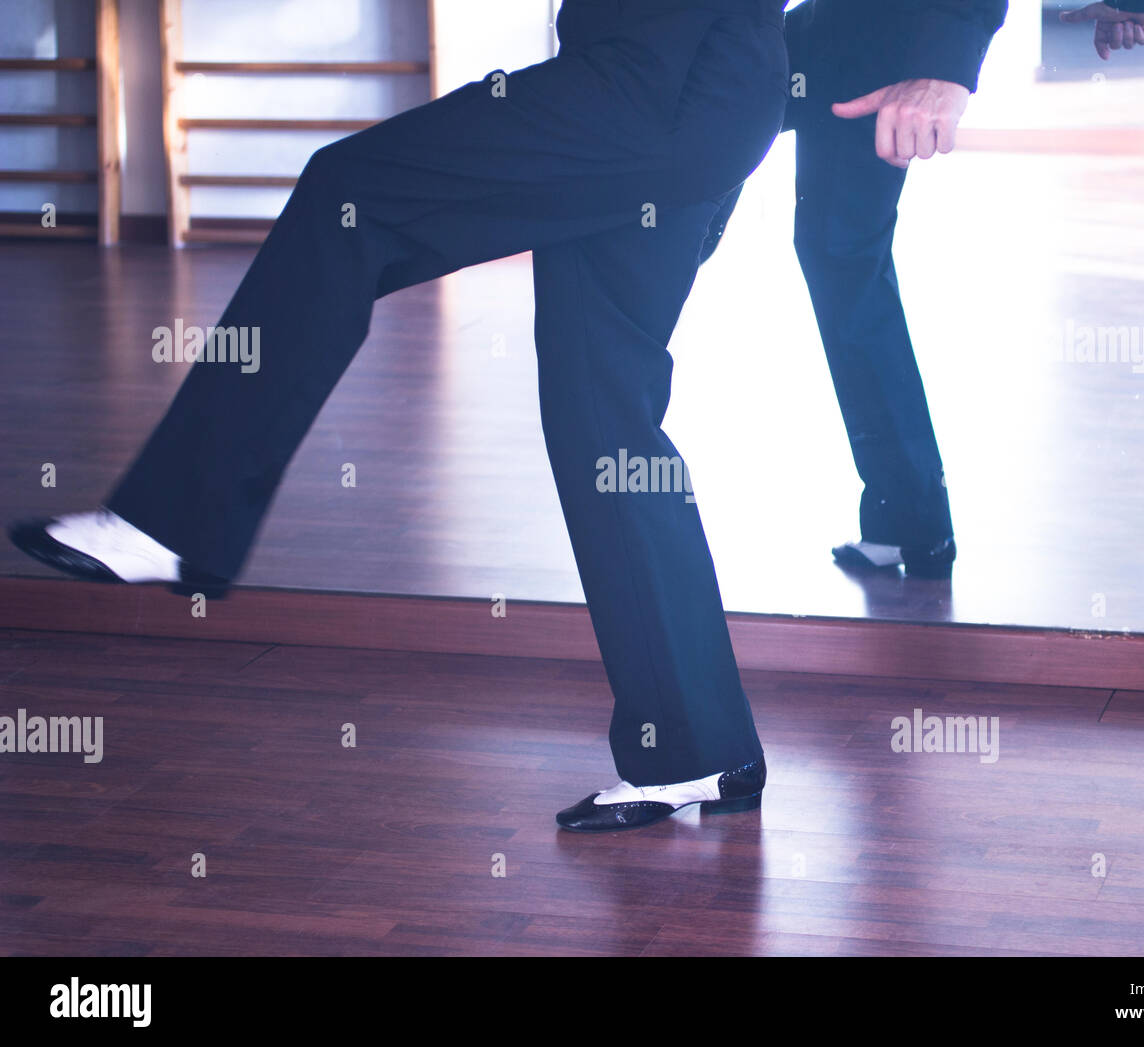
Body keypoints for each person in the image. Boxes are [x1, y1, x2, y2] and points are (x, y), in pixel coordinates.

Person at [10, 0, 790, 833]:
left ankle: (173, 518)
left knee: (351, 195)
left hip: (646, 84)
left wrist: (920, 59)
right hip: (708, 96)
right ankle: (695, 747)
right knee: (604, 411)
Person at [700, 0, 1144, 578]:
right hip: (817, 30)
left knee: (836, 246)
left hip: (880, 34)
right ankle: (908, 515)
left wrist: (948, 57)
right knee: (831, 246)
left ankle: (908, 512)